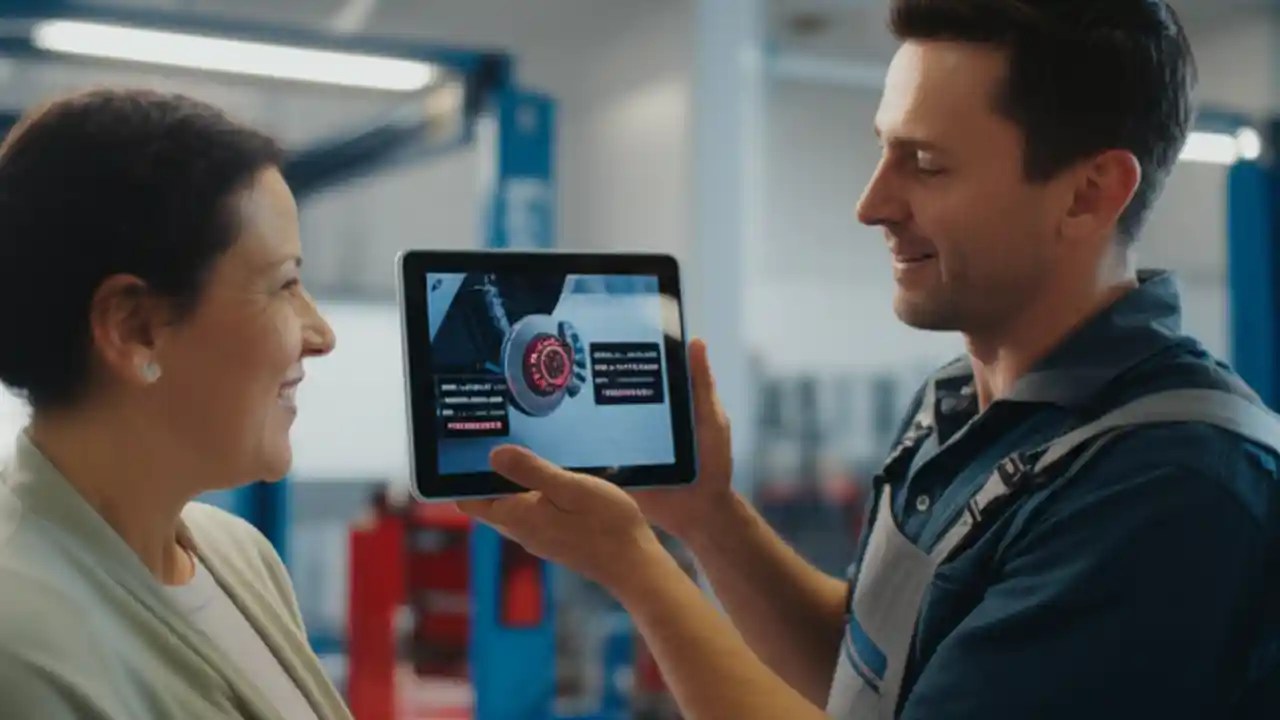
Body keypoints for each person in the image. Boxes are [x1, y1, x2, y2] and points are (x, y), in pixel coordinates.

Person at [459, 1, 1280, 718]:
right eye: (884, 149)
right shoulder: (962, 401)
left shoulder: (1170, 488)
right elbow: (870, 677)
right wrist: (706, 519)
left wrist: (638, 571)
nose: (871, 203)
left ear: (1089, 192)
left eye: (924, 163)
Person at [0, 89, 352, 719]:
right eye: (285, 286)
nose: (321, 333)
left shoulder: (241, 557)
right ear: (135, 329)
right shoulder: (18, 645)